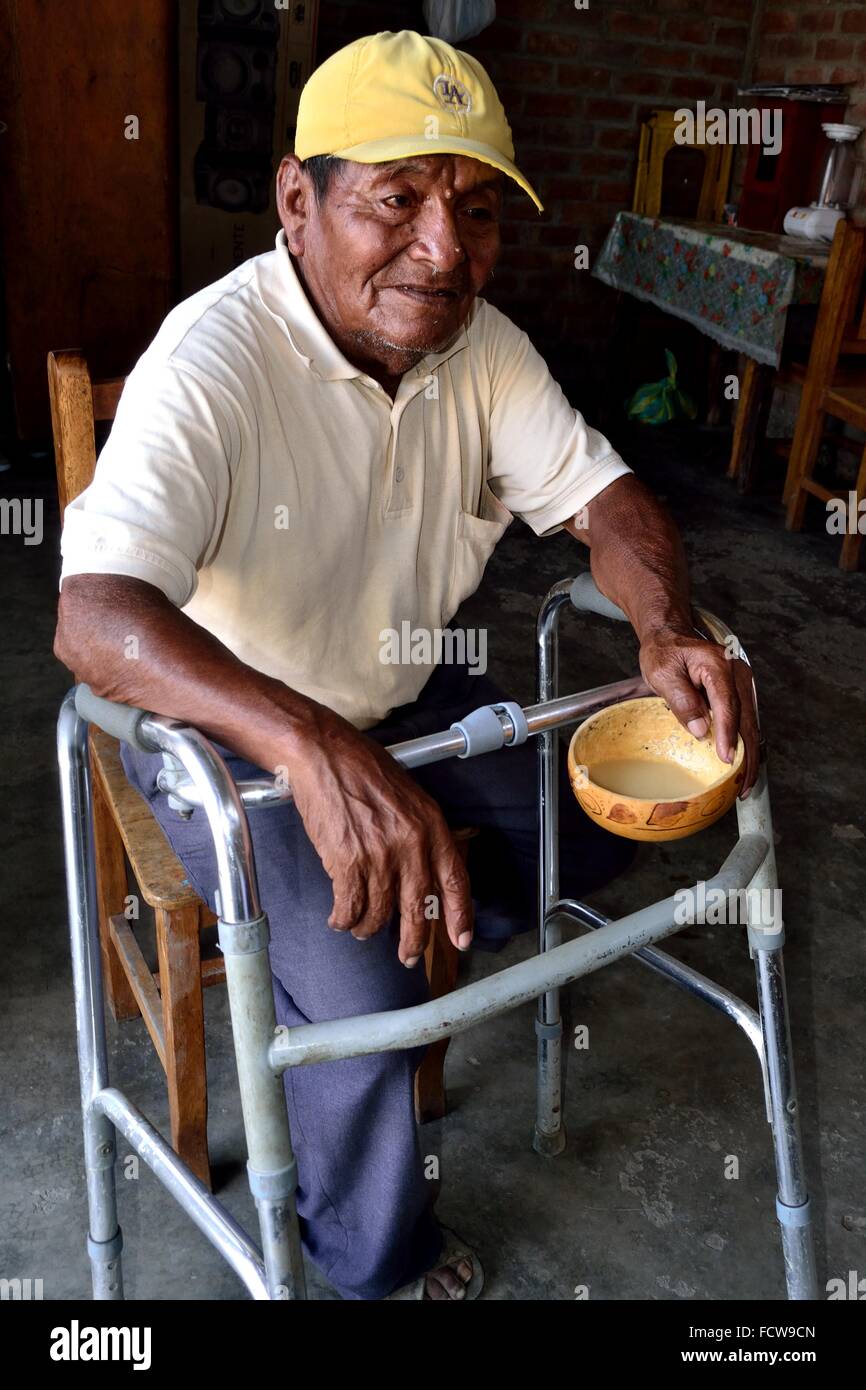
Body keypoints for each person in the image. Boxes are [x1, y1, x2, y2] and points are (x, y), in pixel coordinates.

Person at [54, 31, 759, 1301]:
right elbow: (94, 618)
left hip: (405, 696)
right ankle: (367, 1257)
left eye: (474, 210)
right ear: (295, 200)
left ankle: (412, 892)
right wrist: (312, 750)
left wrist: (662, 628)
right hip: (230, 735)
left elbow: (607, 500)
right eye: (396, 199)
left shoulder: (478, 343)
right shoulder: (213, 357)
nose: (442, 250)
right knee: (367, 989)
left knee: (613, 818)